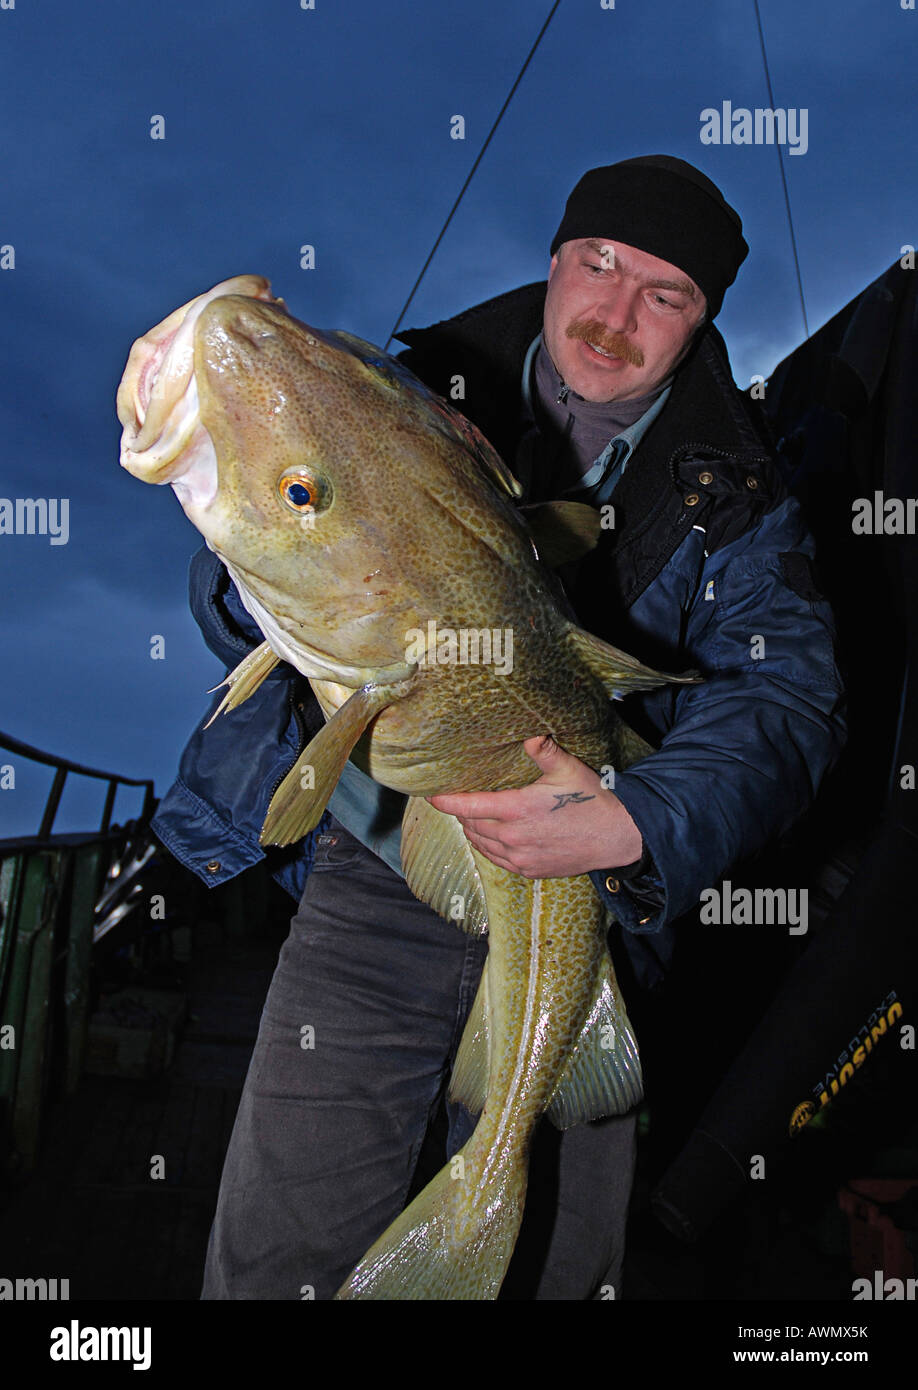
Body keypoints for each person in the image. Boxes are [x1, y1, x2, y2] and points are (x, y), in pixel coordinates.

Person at [151, 155, 845, 1299]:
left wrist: (636, 820)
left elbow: (794, 702)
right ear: (558, 258)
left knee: (566, 1269)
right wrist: (234, 560)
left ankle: (492, 1197)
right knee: (278, 1250)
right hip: (378, 879)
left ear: (706, 318)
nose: (616, 314)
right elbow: (259, 591)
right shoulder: (412, 389)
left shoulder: (747, 499)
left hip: (599, 906)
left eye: (666, 294)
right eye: (601, 263)